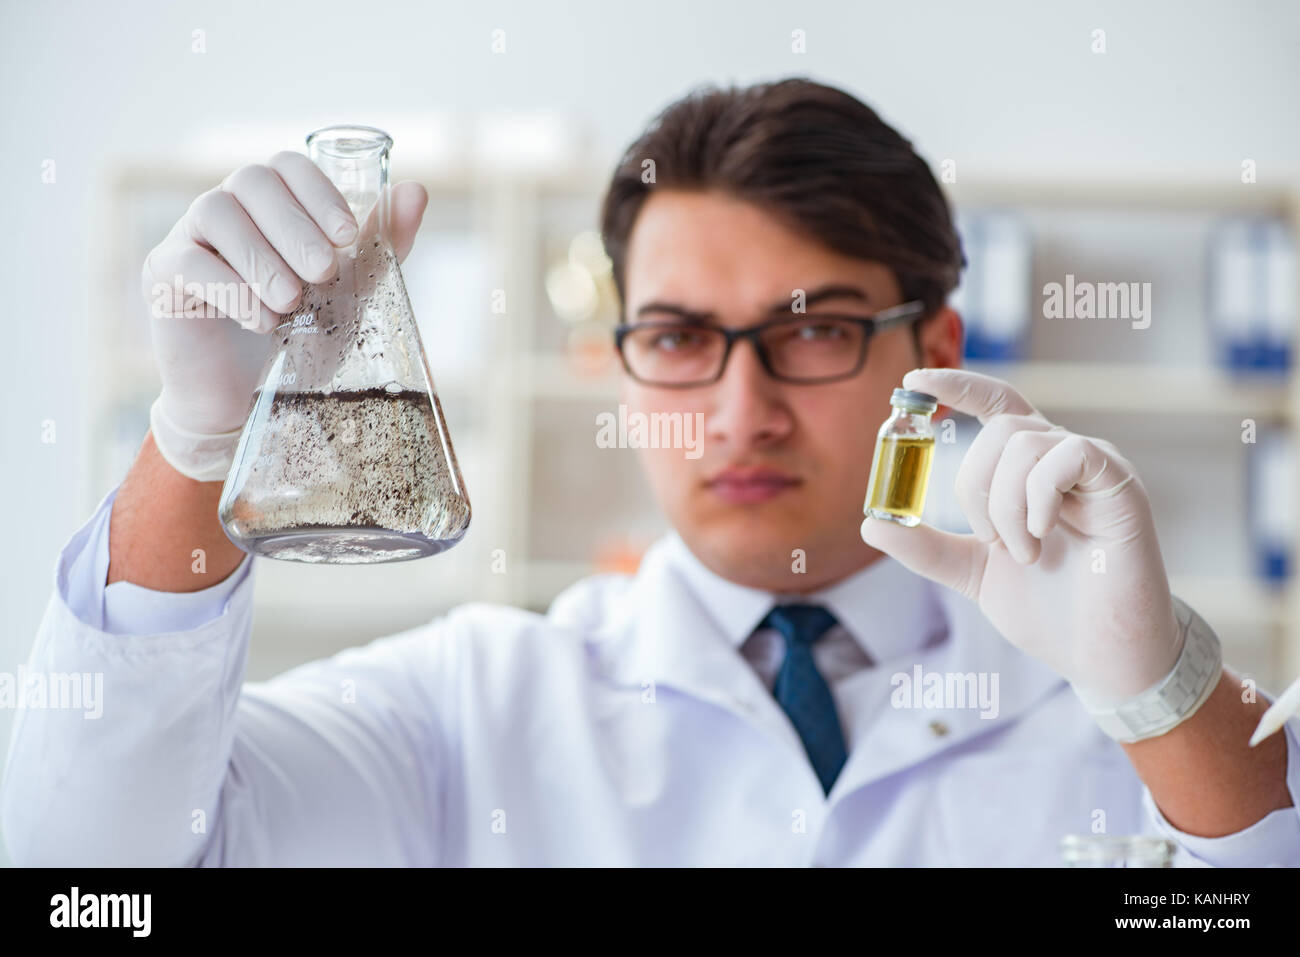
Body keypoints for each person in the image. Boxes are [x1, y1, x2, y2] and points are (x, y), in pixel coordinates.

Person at [2, 78, 1297, 866]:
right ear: (620, 362)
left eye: (814, 329)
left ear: (934, 355)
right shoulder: (466, 706)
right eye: (678, 337)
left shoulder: (1124, 707)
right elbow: (86, 873)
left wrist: (1160, 692)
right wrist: (197, 443)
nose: (743, 410)